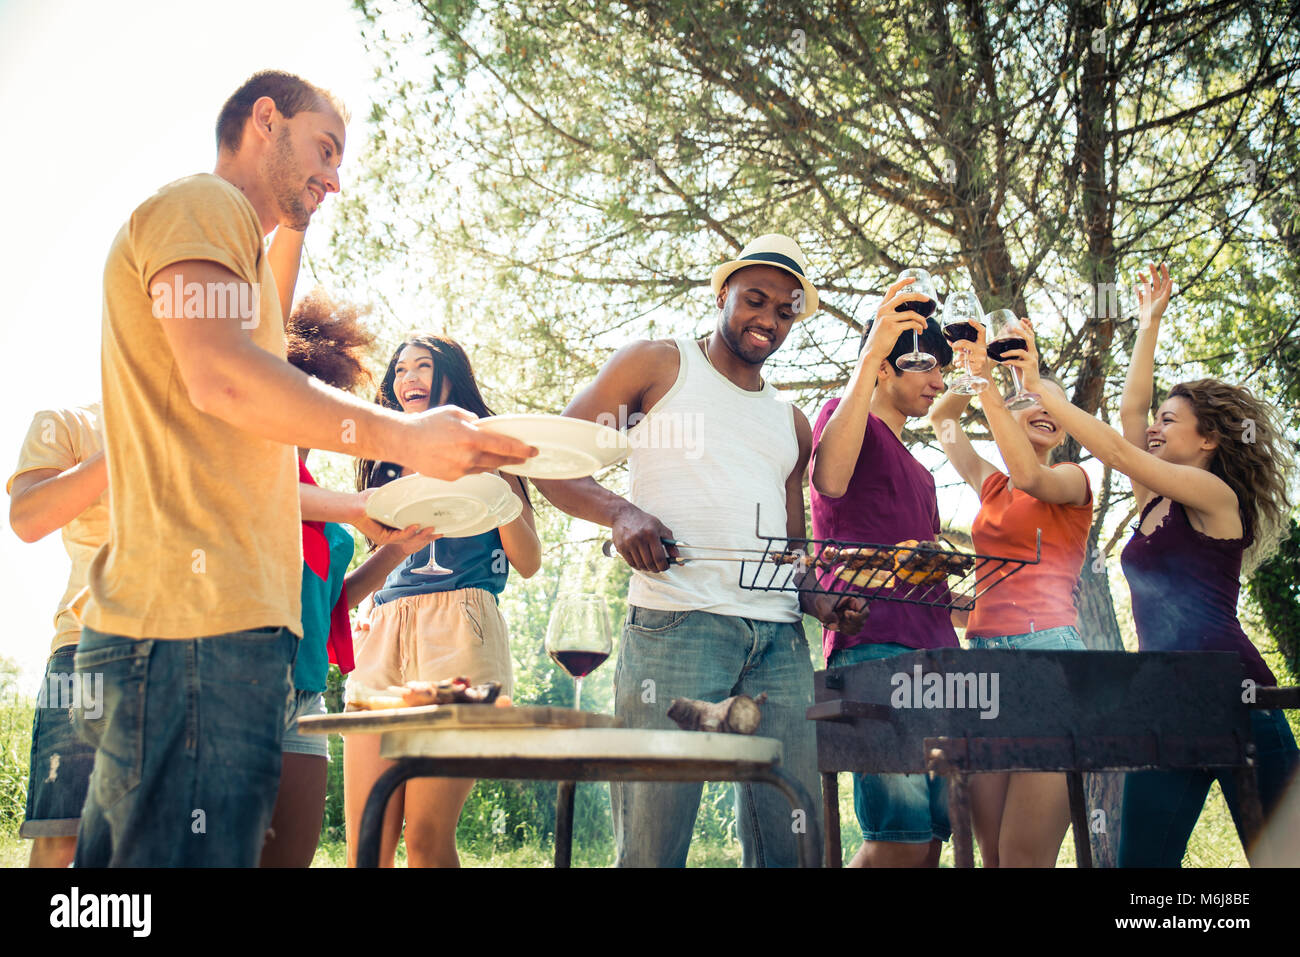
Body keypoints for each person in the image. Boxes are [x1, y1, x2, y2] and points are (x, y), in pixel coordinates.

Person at [76, 70, 535, 867]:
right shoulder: (203, 205)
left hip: (220, 627)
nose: (334, 174)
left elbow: (251, 366)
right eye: (324, 148)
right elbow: (224, 377)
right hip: (187, 625)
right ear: (265, 120)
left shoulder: (236, 251)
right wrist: (408, 439)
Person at [534, 234, 868, 868]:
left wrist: (823, 602)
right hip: (675, 629)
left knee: (794, 848)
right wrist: (622, 513)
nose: (768, 319)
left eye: (785, 310)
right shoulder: (657, 365)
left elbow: (791, 556)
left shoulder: (791, 422)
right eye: (755, 299)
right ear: (724, 294)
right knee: (653, 848)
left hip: (779, 646)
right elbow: (553, 461)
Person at [1003, 263, 1298, 867]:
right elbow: (1130, 413)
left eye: (1172, 421)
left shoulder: (1217, 499)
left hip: (1239, 698)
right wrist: (1149, 323)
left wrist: (1045, 388)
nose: (1154, 429)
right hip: (1168, 705)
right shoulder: (1154, 499)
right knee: (1143, 871)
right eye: (1159, 420)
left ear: (1209, 440)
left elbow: (1113, 445)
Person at [343, 334, 542, 868]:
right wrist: (366, 607)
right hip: (381, 632)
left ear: (452, 377)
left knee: (427, 840)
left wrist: (495, 485)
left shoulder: (491, 453)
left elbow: (528, 561)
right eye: (399, 370)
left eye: (423, 367)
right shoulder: (383, 460)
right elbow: (385, 555)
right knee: (367, 844)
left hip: (461, 627)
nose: (407, 378)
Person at [260, 288, 442, 867]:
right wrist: (359, 506)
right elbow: (268, 499)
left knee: (292, 860)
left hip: (305, 692)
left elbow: (329, 599)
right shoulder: (249, 462)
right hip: (241, 681)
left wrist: (395, 551)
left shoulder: (310, 477)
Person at [927, 321, 1093, 867]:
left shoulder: (1072, 481)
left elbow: (1028, 474)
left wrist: (1001, 388)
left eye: (1053, 403)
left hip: (1048, 661)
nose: (1043, 407)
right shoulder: (990, 486)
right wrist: (977, 373)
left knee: (1024, 857)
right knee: (989, 855)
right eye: (1034, 400)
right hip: (983, 668)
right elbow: (941, 419)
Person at [809, 275, 956, 868]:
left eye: (942, 372)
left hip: (940, 653)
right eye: (924, 368)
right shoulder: (845, 421)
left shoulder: (921, 470)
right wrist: (871, 348)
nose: (938, 383)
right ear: (885, 370)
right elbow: (830, 482)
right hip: (871, 645)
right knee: (897, 834)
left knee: (933, 836)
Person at [7, 403, 107, 867]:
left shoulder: (215, 427)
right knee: (62, 834)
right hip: (86, 649)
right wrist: (132, 440)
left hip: (190, 654)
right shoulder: (70, 422)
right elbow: (28, 519)